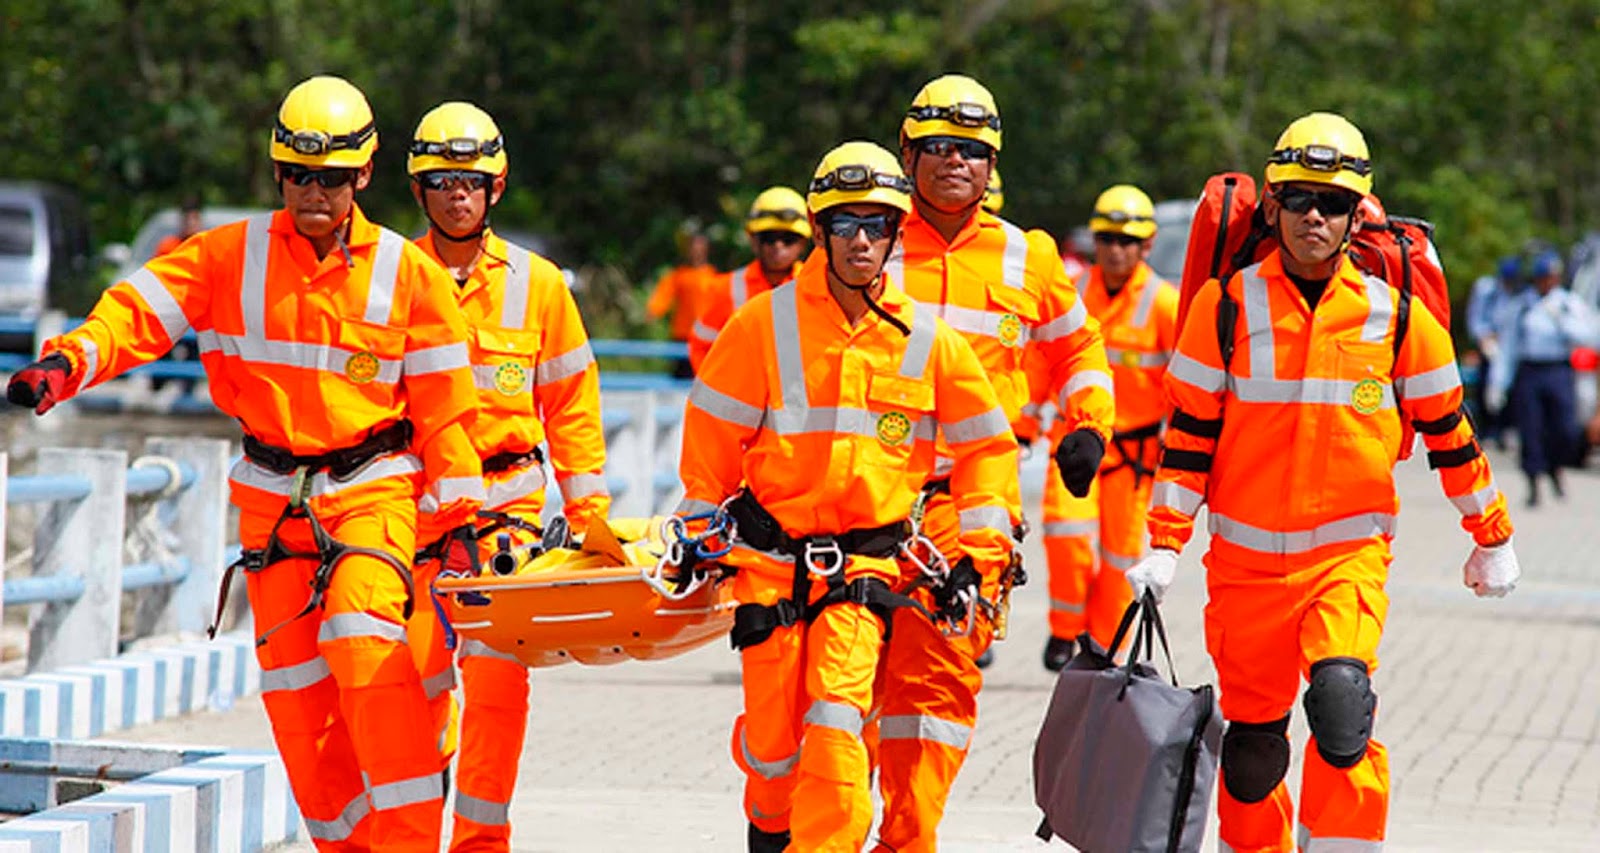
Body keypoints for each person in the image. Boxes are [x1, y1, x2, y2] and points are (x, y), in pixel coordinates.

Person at [6, 75, 482, 850]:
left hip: (371, 491)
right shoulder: (232, 256)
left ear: (363, 175)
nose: (313, 194)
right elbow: (141, 310)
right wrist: (68, 362)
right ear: (277, 174)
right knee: (296, 702)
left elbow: (447, 413)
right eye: (298, 175)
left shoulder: (409, 277)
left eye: (330, 178)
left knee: (366, 646)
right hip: (273, 501)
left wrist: (463, 525)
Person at [1125, 111, 1520, 852]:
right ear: (1270, 205)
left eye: (1333, 202)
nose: (1314, 215)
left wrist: (1490, 534)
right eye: (1300, 197)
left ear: (1356, 214)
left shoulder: (1397, 321)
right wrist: (1165, 543)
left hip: (1346, 560)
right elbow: (1188, 439)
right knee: (1253, 752)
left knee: (1342, 707)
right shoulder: (1227, 307)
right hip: (1244, 571)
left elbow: (1451, 434)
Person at [676, 140, 1017, 852]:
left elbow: (987, 445)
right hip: (768, 570)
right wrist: (695, 534)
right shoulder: (761, 325)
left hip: (866, 575)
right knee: (773, 762)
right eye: (845, 224)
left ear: (897, 232)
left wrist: (980, 556)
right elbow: (709, 446)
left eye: (877, 224)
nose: (862, 241)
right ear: (819, 228)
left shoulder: (928, 340)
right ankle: (773, 829)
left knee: (836, 728)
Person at [874, 73, 1114, 851]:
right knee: (847, 689)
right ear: (907, 153)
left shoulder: (1028, 257)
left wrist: (1087, 423)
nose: (955, 163)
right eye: (938, 147)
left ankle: (907, 838)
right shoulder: (864, 240)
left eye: (972, 151)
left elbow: (1080, 346)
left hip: (970, 505)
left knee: (935, 683)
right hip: (857, 497)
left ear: (993, 163)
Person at [402, 100, 610, 851]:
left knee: (496, 687)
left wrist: (591, 521)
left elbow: (573, 408)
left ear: (497, 186)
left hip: (508, 523)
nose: (459, 193)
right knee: (415, 690)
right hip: (415, 515)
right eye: (443, 180)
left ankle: (480, 842)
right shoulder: (392, 276)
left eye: (473, 180)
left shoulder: (540, 285)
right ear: (419, 188)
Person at [1035, 184, 1178, 671]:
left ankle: (1101, 651)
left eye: (1127, 240)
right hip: (1073, 442)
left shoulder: (1164, 304)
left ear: (1146, 245)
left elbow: (1186, 387)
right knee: (1066, 534)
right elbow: (1040, 364)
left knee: (1121, 561)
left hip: (1135, 457)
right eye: (1107, 239)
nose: (1116, 250)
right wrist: (1021, 422)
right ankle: (1064, 630)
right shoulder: (1071, 295)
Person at [1486, 248, 1599, 505]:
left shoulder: (1568, 303)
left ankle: (1555, 467)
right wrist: (1498, 383)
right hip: (1530, 371)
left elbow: (1590, 337)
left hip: (1558, 368)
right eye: (1542, 278)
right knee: (1531, 429)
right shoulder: (1523, 305)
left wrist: (1563, 321)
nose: (1546, 283)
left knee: (1565, 429)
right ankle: (1533, 482)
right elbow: (1509, 347)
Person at [686, 187, 810, 372]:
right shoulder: (725, 289)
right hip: (740, 398)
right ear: (753, 239)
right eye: (769, 238)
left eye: (788, 238)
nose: (778, 246)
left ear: (803, 242)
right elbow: (701, 347)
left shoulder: (817, 287)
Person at [1466, 256, 1522, 446]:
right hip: (1489, 344)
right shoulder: (1487, 290)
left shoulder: (1518, 294)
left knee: (1509, 389)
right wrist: (1483, 337)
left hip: (1510, 347)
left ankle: (1504, 428)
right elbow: (1475, 317)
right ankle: (1486, 428)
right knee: (1484, 387)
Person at [647, 228, 718, 377]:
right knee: (681, 377)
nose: (696, 252)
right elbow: (663, 295)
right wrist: (654, 310)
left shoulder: (713, 276)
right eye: (693, 248)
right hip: (683, 336)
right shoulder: (679, 276)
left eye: (700, 248)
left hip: (706, 337)